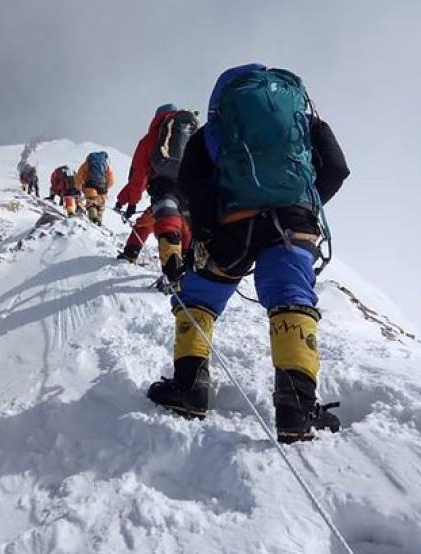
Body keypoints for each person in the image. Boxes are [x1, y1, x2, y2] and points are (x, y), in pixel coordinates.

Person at [147, 64, 350, 443]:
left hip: (233, 227)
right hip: (294, 224)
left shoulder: (216, 130)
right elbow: (337, 169)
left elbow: (191, 182)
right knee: (291, 299)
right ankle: (297, 410)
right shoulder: (304, 123)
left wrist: (207, 229)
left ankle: (190, 389)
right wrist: (306, 205)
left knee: (199, 299)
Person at [114, 104, 198, 279]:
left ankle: (167, 271)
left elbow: (139, 176)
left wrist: (130, 202)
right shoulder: (192, 136)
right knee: (186, 227)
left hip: (163, 189)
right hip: (190, 190)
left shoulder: (150, 139)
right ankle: (188, 271)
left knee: (155, 224)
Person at [75, 151, 114, 225]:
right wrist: (106, 187)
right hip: (102, 187)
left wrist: (79, 187)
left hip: (89, 185)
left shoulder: (86, 164)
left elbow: (79, 177)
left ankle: (93, 219)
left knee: (91, 203)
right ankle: (99, 222)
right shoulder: (106, 165)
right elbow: (111, 179)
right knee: (100, 205)